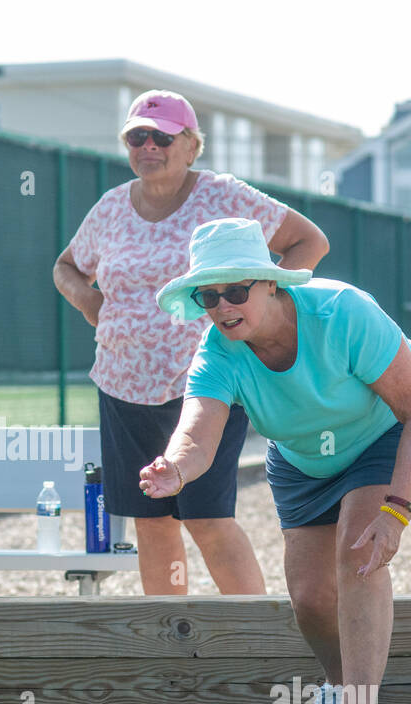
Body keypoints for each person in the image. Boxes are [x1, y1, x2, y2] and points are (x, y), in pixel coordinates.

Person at [141, 218, 411, 704]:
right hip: (304, 458)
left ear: (272, 284)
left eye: (236, 290)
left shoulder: (342, 312)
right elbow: (197, 431)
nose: (222, 305)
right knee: (311, 598)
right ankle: (338, 690)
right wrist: (174, 467)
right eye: (209, 294)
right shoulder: (219, 351)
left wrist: (395, 511)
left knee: (358, 553)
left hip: (394, 429)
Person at [54, 90, 328, 596]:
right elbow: (66, 267)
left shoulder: (224, 195)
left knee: (207, 517)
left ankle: (252, 640)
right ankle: (172, 642)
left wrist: (263, 306)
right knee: (151, 520)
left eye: (163, 136)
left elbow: (309, 241)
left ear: (191, 145)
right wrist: (90, 305)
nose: (149, 145)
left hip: (209, 381)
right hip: (122, 384)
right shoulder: (111, 207)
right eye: (138, 135)